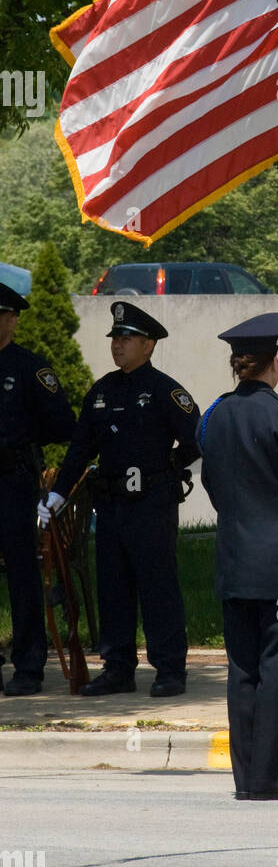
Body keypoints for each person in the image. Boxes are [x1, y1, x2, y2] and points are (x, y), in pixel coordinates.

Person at [198, 312, 278, 801]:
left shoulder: (214, 414)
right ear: (276, 362)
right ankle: (269, 778)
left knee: (242, 670)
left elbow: (212, 482)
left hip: (233, 559)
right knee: (274, 671)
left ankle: (246, 777)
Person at [47, 302, 199, 698]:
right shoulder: (101, 391)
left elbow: (197, 437)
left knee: (157, 586)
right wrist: (57, 495)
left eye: (127, 338)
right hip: (111, 507)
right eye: (115, 337)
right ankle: (117, 668)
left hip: (151, 505)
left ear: (148, 345)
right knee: (112, 587)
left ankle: (169, 668)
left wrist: (169, 467)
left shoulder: (165, 389)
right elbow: (80, 449)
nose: (118, 345)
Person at [0, 282, 76, 695]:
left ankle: (28, 665)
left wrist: (23, 437)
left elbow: (63, 423)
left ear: (11, 320)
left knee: (22, 574)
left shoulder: (30, 369)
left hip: (13, 482)